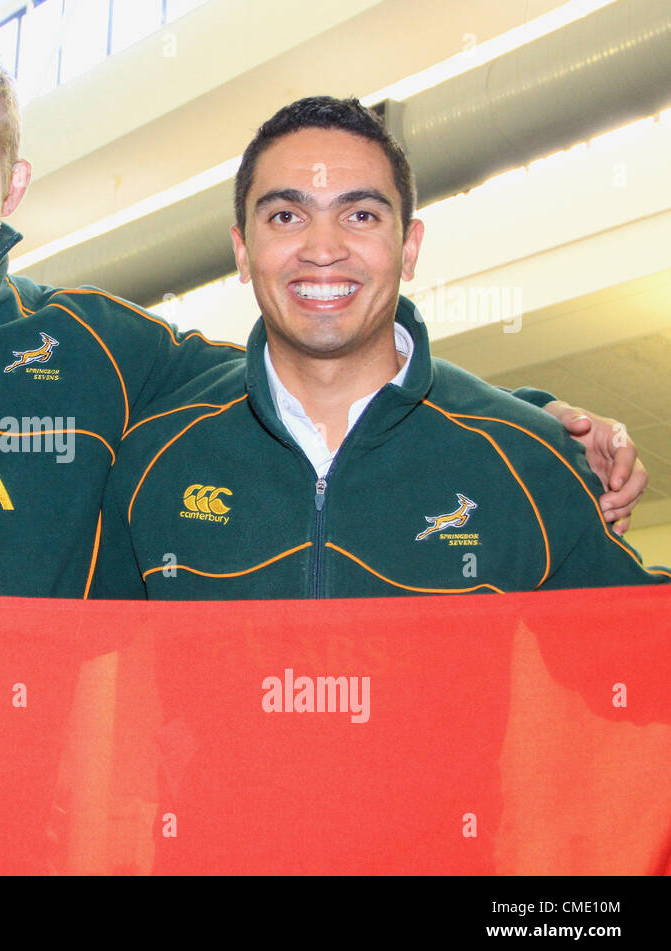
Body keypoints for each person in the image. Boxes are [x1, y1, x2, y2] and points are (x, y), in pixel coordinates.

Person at [0, 18, 646, 597]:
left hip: (45, 830)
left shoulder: (106, 350)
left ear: (11, 184)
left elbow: (313, 367)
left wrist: (534, 421)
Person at [90, 96, 669, 599]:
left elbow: (633, 660)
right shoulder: (154, 457)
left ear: (409, 248)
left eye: (360, 214)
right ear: (243, 251)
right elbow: (81, 668)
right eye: (287, 215)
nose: (323, 248)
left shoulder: (527, 457)